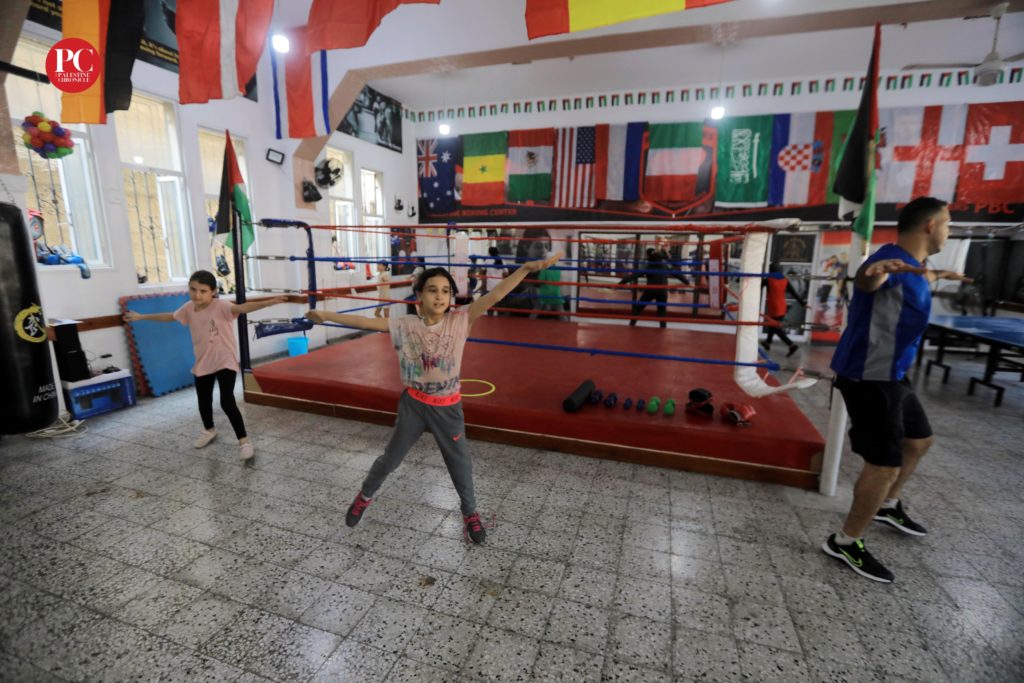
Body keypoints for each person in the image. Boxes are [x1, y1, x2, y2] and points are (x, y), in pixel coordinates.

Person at [306, 251, 563, 543]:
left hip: (448, 408)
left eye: (446, 291)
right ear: (419, 296)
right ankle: (364, 496)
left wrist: (526, 267)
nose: (440, 297)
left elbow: (496, 295)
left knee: (460, 464)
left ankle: (470, 514)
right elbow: (366, 324)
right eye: (433, 290)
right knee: (390, 459)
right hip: (414, 405)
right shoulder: (404, 326)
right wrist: (323, 315)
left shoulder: (461, 321)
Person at [823, 197, 970, 583]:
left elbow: (914, 279)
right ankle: (845, 541)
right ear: (930, 225)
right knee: (883, 464)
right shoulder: (889, 260)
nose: (949, 230)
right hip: (869, 378)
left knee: (919, 441)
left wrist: (944, 276)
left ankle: (887, 505)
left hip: (894, 373)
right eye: (948, 223)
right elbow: (870, 279)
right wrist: (873, 272)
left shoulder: (915, 266)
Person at [123, 270, 286, 460]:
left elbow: (242, 308)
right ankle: (209, 430)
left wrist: (268, 302)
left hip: (224, 359)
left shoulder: (221, 306)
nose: (197, 295)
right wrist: (141, 317)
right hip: (203, 360)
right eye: (193, 289)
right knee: (203, 399)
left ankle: (244, 441)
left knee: (227, 401)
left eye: (202, 291)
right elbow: (170, 316)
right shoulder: (188, 308)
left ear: (213, 292)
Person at [619, 250, 690, 328]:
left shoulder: (648, 264)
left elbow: (634, 275)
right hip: (662, 291)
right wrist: (687, 282)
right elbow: (676, 273)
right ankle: (663, 329)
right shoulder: (665, 263)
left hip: (651, 290)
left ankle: (631, 325)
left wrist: (621, 284)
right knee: (662, 312)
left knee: (638, 308)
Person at [761, 262, 807, 358]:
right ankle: (768, 342)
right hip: (782, 307)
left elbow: (757, 287)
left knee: (776, 327)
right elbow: (794, 293)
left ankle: (791, 345)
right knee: (773, 326)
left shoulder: (768, 280)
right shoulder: (784, 280)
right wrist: (803, 303)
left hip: (774, 307)